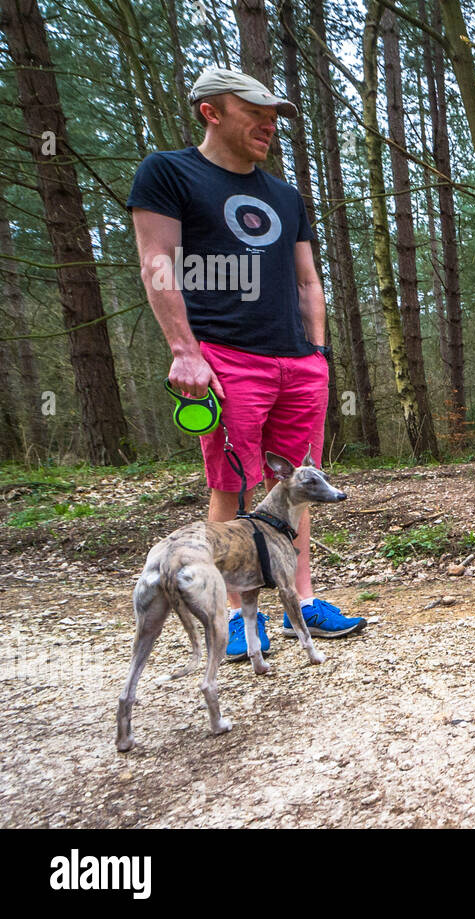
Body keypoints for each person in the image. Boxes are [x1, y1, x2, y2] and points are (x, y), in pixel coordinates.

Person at [127, 66, 365, 659]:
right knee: (232, 483)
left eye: (275, 116)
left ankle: (300, 604)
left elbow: (309, 280)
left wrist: (319, 353)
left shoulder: (284, 195)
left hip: (299, 362)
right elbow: (158, 264)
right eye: (255, 112)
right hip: (226, 357)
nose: (269, 125)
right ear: (211, 111)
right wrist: (185, 351)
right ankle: (237, 615)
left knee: (297, 485)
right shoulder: (168, 172)